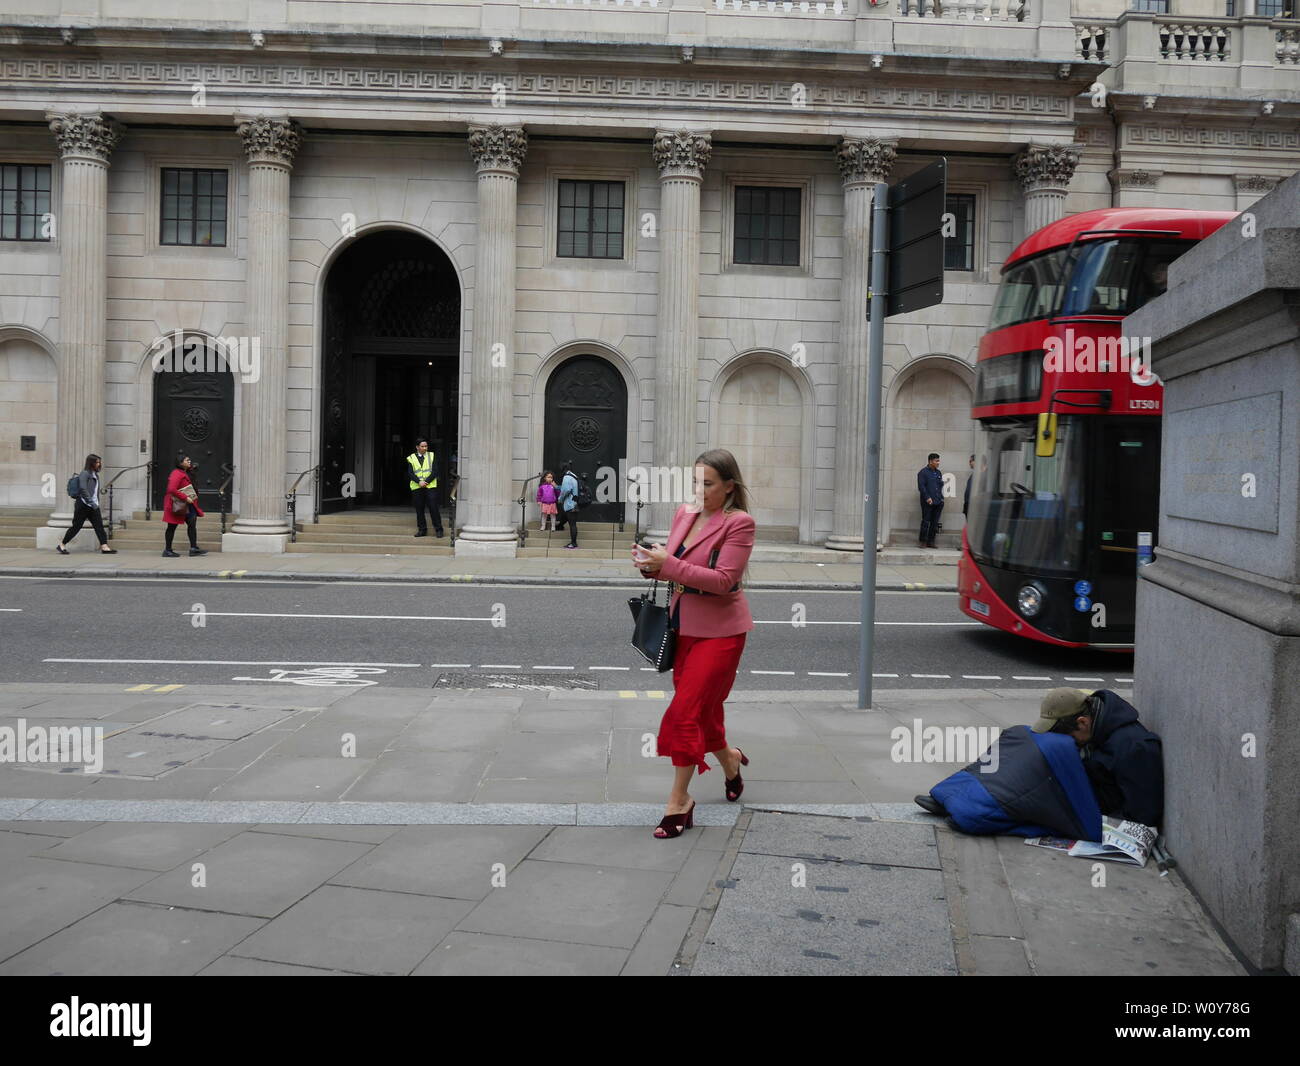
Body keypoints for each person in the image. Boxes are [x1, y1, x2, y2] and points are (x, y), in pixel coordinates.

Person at [633, 448, 756, 840]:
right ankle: (731, 761)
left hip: (721, 634)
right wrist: (652, 566)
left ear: (729, 486)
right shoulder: (684, 515)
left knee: (685, 712)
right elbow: (675, 569)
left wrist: (667, 563)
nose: (699, 491)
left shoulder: (740, 524)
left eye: (708, 484)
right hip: (683, 629)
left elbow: (723, 580)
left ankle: (678, 801)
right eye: (695, 482)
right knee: (703, 714)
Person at [1031, 687, 1164, 827]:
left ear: (1083, 722)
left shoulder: (1134, 748)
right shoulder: (1096, 731)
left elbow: (1142, 813)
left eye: (1069, 738)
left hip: (1105, 821)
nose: (1071, 744)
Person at [55, 453, 117, 555]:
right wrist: (91, 502)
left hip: (93, 505)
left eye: (99, 462)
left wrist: (95, 503)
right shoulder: (85, 473)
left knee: (99, 526)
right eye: (97, 462)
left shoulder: (95, 474)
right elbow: (83, 489)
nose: (99, 464)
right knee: (76, 527)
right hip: (83, 505)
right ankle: (62, 545)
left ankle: (104, 546)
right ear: (91, 463)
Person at [161, 454, 206, 557]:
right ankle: (167, 550)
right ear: (180, 463)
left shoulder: (185, 472)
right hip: (176, 504)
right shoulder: (176, 473)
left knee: (192, 523)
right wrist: (185, 498)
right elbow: (171, 489)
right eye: (187, 460)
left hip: (187, 504)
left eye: (189, 459)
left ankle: (193, 548)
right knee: (171, 527)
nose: (189, 461)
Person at [406, 438, 444, 539]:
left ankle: (439, 530)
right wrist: (419, 482)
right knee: (419, 509)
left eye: (426, 446)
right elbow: (410, 473)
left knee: (433, 508)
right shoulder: (411, 458)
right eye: (422, 446)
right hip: (417, 487)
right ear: (417, 447)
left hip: (430, 486)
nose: (424, 448)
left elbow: (435, 471)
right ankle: (422, 530)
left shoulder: (432, 455)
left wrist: (426, 481)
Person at [917, 452, 944, 548]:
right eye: (937, 461)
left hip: (938, 502)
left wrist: (941, 499)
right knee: (926, 521)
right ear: (930, 461)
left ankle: (931, 541)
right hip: (927, 502)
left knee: (935, 522)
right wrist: (927, 498)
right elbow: (921, 487)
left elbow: (940, 486)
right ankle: (923, 541)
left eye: (938, 460)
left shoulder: (938, 472)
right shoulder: (923, 472)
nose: (938, 462)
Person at [557, 461, 580, 549]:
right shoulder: (574, 476)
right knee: (566, 518)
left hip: (570, 504)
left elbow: (565, 490)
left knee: (572, 525)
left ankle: (573, 543)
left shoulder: (566, 477)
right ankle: (560, 526)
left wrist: (560, 499)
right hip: (575, 503)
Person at [962, 453, 974, 519]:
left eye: (970, 461)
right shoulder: (974, 474)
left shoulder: (983, 475)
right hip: (969, 505)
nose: (969, 463)